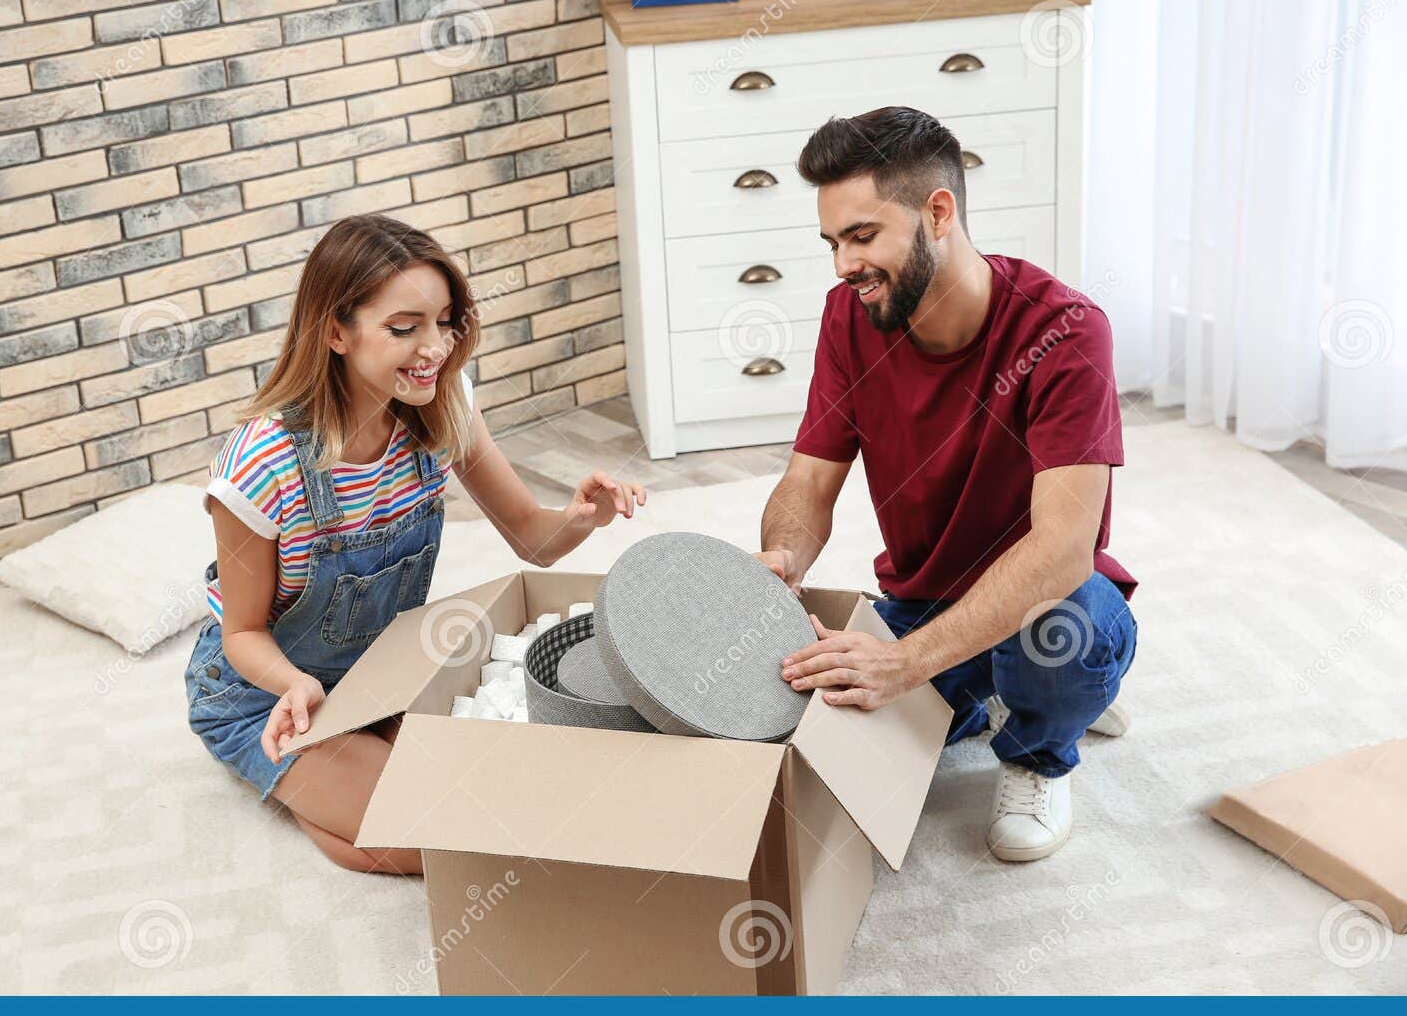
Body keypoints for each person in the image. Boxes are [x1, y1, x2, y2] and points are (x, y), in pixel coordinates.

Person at [185, 214, 646, 875]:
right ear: (335, 331)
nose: (435, 347)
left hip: (385, 672)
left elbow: (535, 541)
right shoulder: (260, 464)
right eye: (404, 328)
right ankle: (312, 786)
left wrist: (582, 516)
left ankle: (338, 789)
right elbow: (243, 633)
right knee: (448, 846)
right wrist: (295, 684)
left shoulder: (441, 404)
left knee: (501, 799)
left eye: (446, 321)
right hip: (267, 694)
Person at [757, 106, 1138, 863]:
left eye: (862, 237)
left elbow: (1063, 550)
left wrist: (904, 664)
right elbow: (808, 480)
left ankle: (1039, 749)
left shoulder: (1065, 331)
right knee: (826, 697)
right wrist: (781, 560)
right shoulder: (849, 318)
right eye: (833, 243)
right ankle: (996, 685)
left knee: (1066, 633)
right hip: (926, 601)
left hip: (1056, 600)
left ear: (938, 212)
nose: (842, 265)